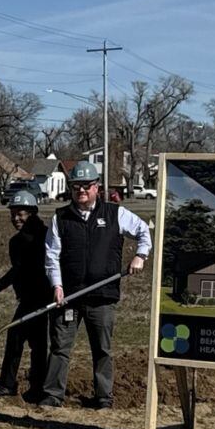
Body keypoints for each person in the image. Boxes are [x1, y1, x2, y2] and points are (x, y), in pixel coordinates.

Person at [41, 161, 150, 409]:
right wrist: (57, 286)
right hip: (68, 296)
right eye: (76, 186)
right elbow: (52, 256)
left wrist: (140, 256)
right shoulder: (60, 218)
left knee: (102, 349)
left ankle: (103, 397)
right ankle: (52, 395)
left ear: (96, 187)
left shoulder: (115, 213)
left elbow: (144, 231)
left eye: (87, 186)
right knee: (60, 347)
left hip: (102, 296)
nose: (82, 191)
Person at [0, 191, 51, 399]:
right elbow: (18, 271)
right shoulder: (17, 241)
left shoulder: (43, 237)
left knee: (19, 337)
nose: (16, 219)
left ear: (32, 213)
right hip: (30, 296)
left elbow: (22, 270)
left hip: (41, 296)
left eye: (21, 214)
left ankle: (11, 384)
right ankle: (36, 385)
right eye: (13, 214)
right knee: (35, 342)